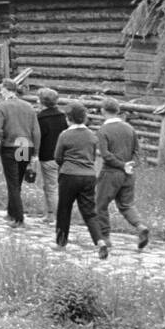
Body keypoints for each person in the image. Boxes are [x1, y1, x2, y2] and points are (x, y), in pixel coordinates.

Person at [95, 97, 151, 250]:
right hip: (129, 174)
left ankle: (105, 237)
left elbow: (105, 155)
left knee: (100, 205)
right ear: (118, 110)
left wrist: (121, 164)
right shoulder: (129, 128)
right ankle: (140, 227)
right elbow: (137, 151)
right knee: (126, 205)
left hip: (111, 173)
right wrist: (131, 164)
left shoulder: (103, 131)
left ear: (102, 111)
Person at [53, 102, 108, 258]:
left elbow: (57, 157)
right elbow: (91, 155)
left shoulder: (64, 135)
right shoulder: (92, 135)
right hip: (89, 176)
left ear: (68, 118)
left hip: (69, 175)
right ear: (84, 118)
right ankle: (100, 241)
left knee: (64, 209)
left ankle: (61, 241)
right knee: (89, 212)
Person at [0, 78, 40, 228]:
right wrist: (35, 152)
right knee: (18, 181)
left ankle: (19, 217)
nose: (0, 92)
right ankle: (11, 212)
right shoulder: (28, 106)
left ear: (7, 89)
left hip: (10, 145)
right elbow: (36, 131)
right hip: (24, 144)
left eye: (1, 89)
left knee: (12, 183)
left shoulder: (2, 106)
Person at [35, 88, 66, 225]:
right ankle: (49, 215)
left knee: (51, 187)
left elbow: (37, 138)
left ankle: (57, 218)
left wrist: (29, 156)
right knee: (51, 186)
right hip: (63, 156)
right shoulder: (63, 116)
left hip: (48, 156)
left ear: (42, 101)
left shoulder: (41, 118)